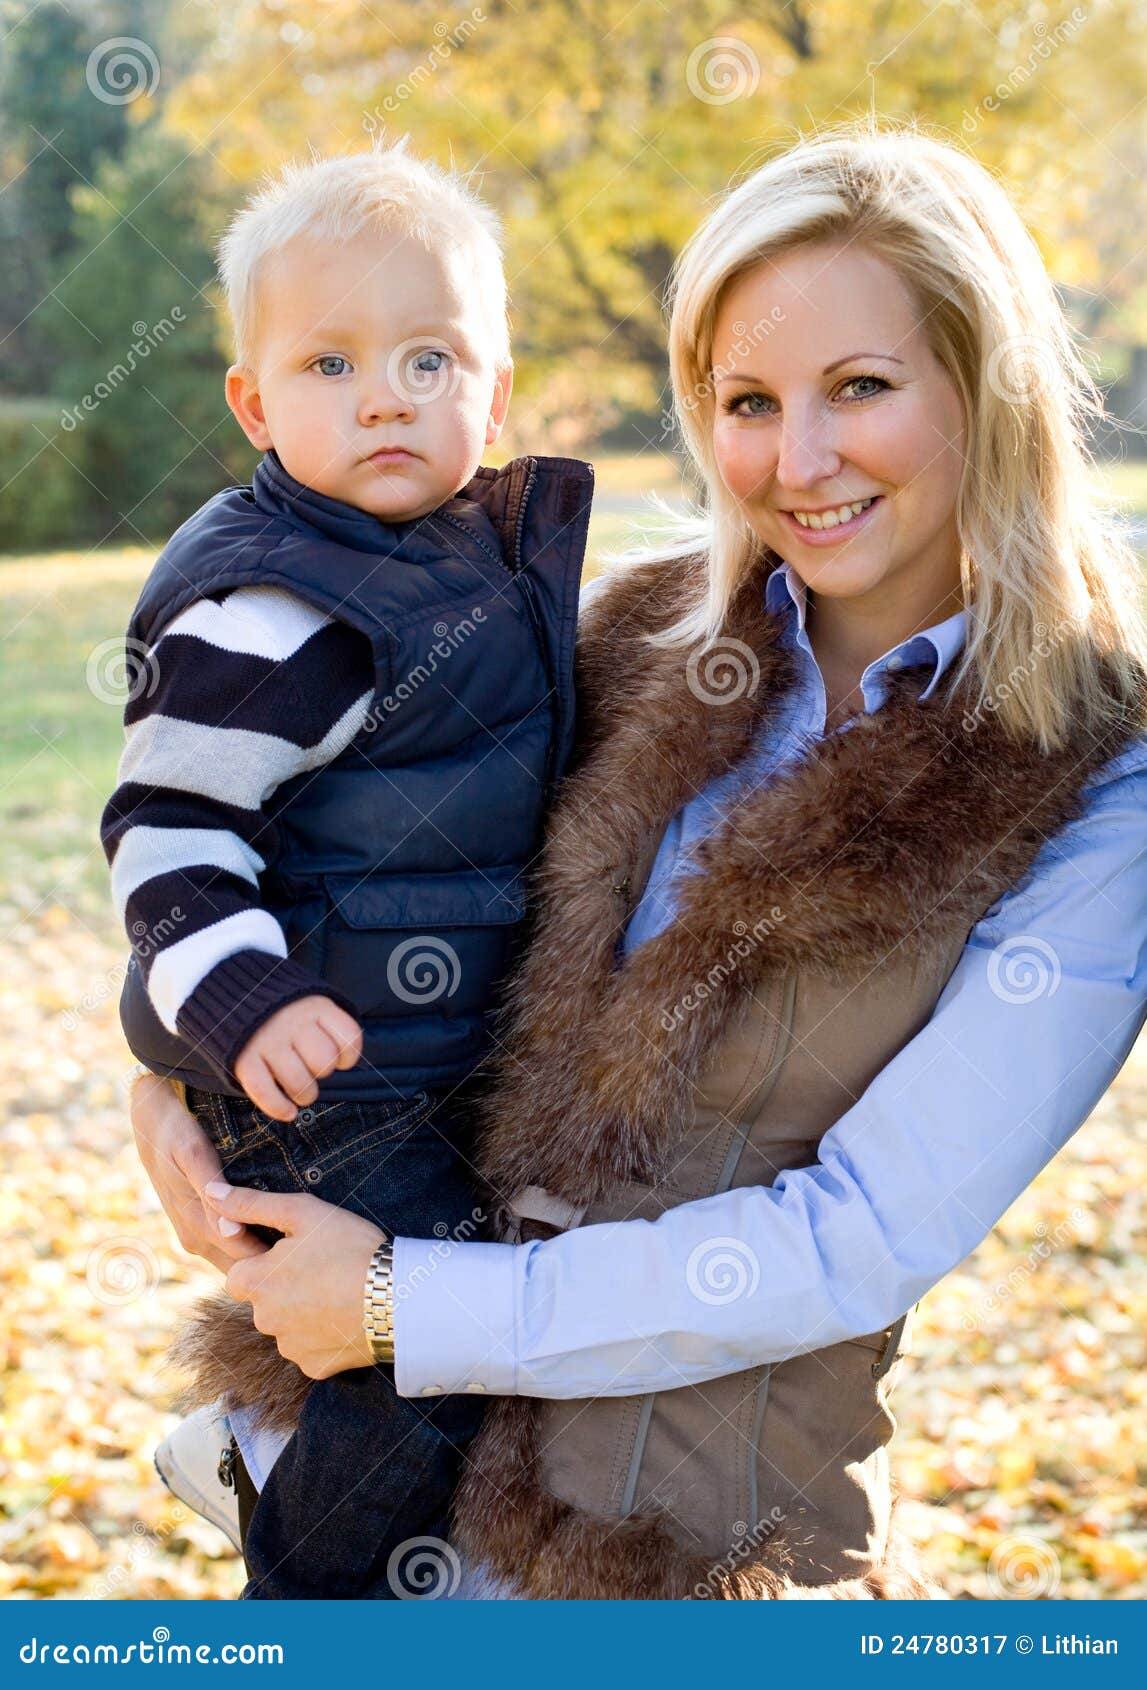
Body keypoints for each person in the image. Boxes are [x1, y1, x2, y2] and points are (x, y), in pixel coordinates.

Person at [132, 122, 1147, 1601]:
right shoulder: (625, 640)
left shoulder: (1101, 775)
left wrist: (409, 1303)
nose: (798, 462)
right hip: (356, 1485)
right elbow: (294, 849)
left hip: (673, 1548)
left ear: (986, 388)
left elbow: (864, 1237)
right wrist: (177, 1073)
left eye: (862, 387)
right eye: (749, 401)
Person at [101, 143, 592, 1598]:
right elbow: (166, 831)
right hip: (310, 1072)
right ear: (254, 404)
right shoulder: (270, 605)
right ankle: (301, 1595)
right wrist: (239, 1002)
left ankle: (264, 1454)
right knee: (412, 1331)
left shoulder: (474, 565)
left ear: (495, 394)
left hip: (421, 1053)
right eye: (330, 363)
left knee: (474, 1309)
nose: (385, 395)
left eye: (429, 358)